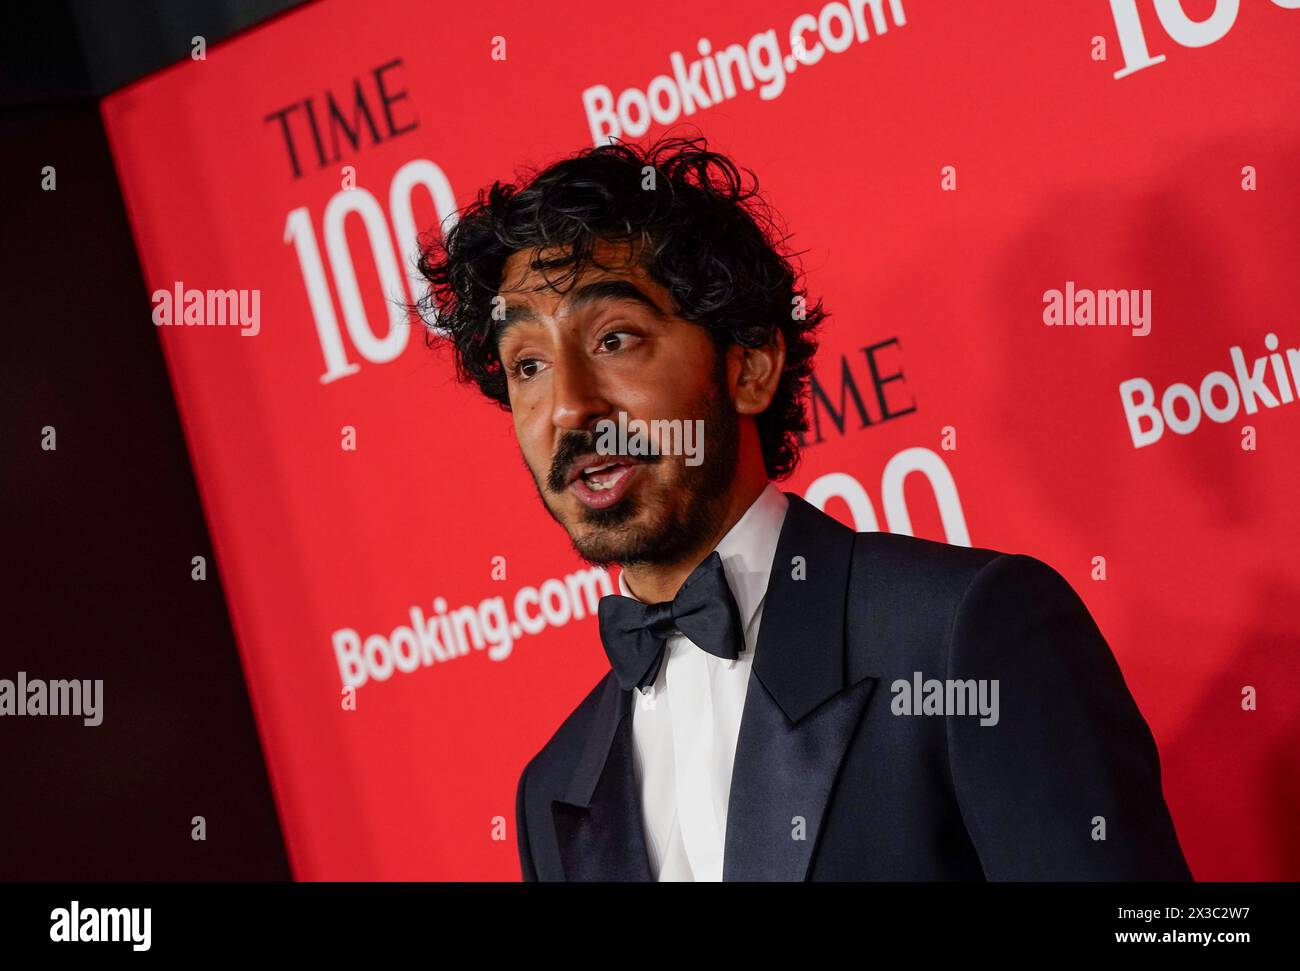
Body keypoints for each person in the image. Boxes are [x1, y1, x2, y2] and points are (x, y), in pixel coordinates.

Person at [414, 134, 1193, 882]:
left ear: (750, 364)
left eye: (616, 338)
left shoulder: (962, 632)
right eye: (528, 365)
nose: (570, 407)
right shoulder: (551, 787)